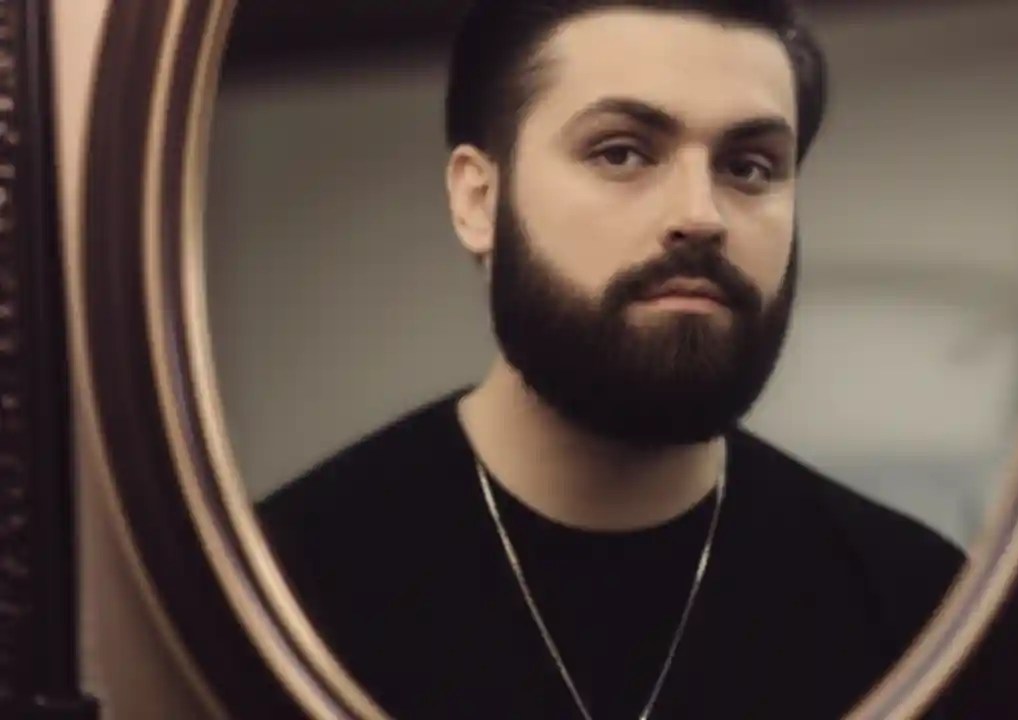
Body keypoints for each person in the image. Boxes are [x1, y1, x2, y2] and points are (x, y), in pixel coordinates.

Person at [257, 1, 965, 718]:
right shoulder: (272, 595)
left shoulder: (923, 613)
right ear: (478, 200)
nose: (702, 215)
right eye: (620, 152)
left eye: (749, 167)